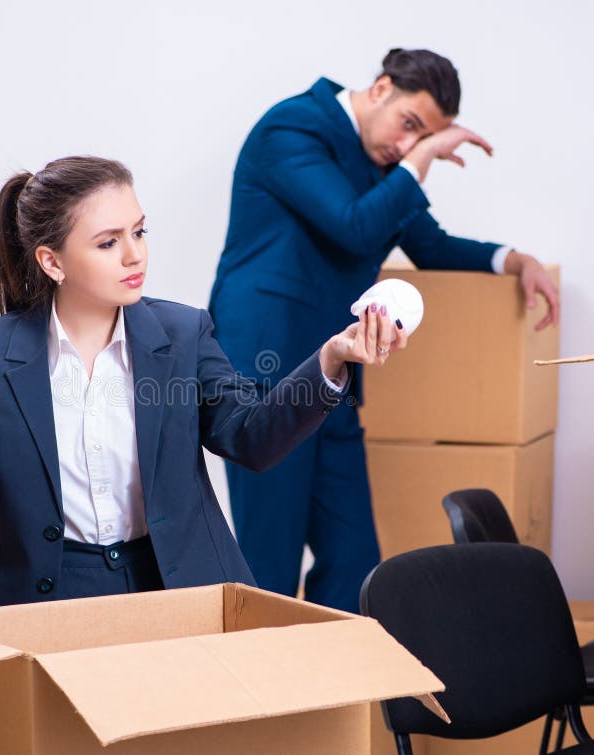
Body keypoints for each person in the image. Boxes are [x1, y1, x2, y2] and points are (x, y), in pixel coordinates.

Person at [0, 155, 406, 754]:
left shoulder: (182, 335)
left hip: (170, 586)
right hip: (46, 596)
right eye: (108, 242)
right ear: (51, 261)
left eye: (139, 232)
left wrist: (331, 360)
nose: (134, 255)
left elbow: (250, 437)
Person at [207, 48, 560, 614]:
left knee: (355, 559)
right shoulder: (293, 127)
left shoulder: (379, 159)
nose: (407, 143)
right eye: (409, 123)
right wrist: (420, 159)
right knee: (269, 560)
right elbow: (354, 226)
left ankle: (339, 670)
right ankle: (256, 672)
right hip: (268, 369)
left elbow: (430, 244)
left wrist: (513, 258)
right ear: (380, 89)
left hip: (336, 377)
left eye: (423, 137)